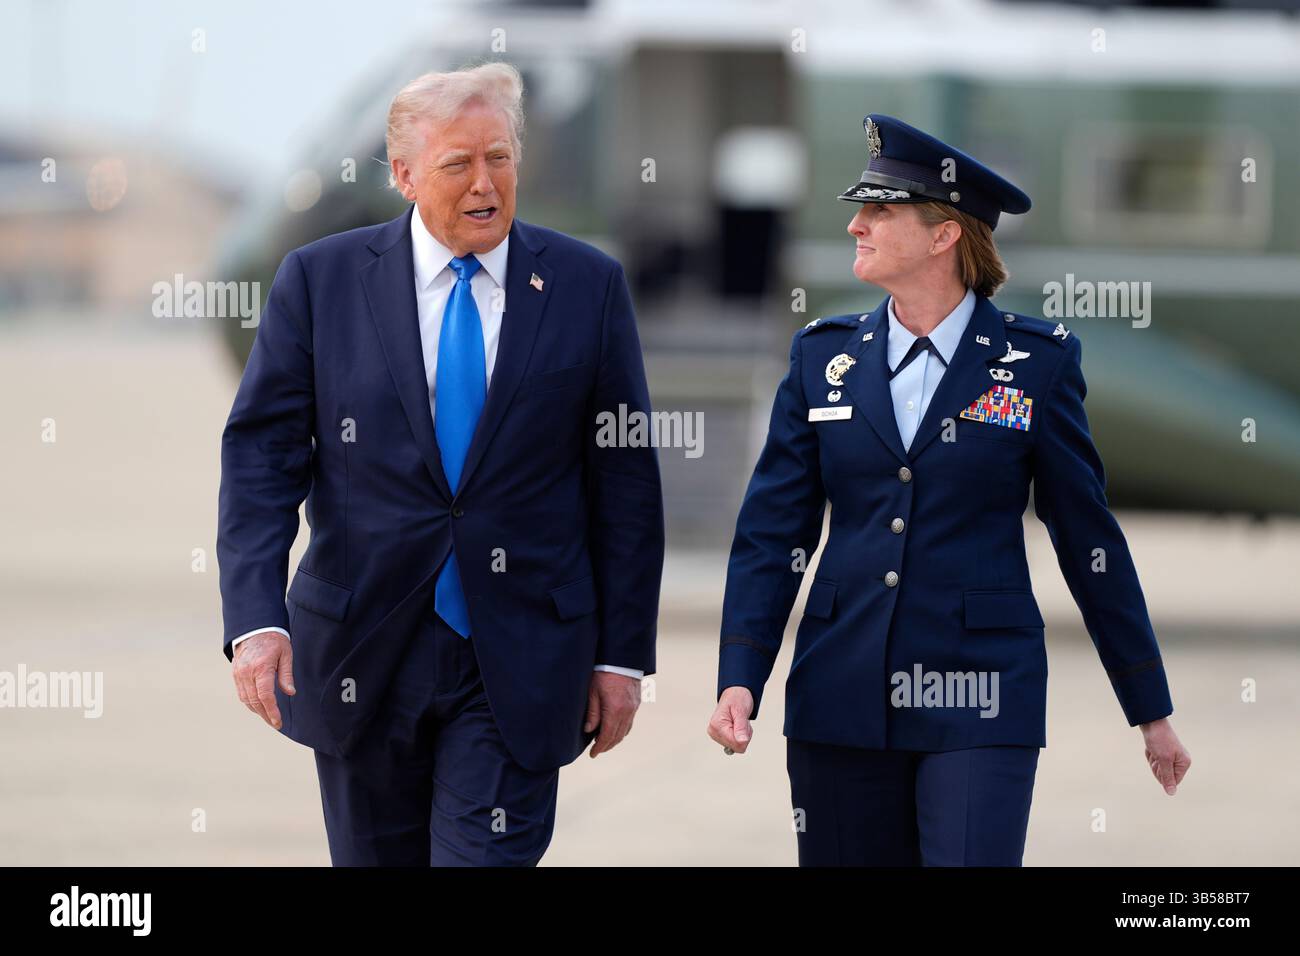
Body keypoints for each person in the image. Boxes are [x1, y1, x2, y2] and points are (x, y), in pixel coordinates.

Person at [707, 114, 1191, 866]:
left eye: (881, 211)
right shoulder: (820, 359)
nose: (856, 226)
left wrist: (1148, 706)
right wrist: (741, 675)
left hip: (980, 696)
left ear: (944, 236)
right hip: (840, 692)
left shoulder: (1038, 365)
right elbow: (774, 535)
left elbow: (1088, 539)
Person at [218, 62, 664, 866]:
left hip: (520, 657)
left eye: (500, 157)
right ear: (404, 175)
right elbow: (262, 458)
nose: (485, 182)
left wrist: (621, 655)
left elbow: (625, 486)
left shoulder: (584, 286)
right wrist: (255, 621)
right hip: (362, 653)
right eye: (458, 164)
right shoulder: (320, 282)